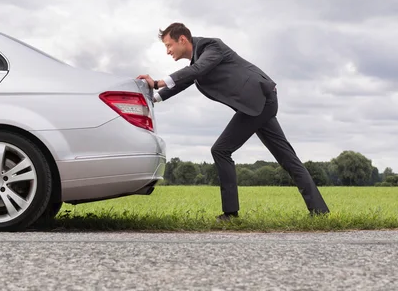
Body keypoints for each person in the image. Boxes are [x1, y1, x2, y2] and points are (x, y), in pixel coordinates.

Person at [137, 22, 330, 221]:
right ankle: (320, 212)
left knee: (220, 150)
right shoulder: (199, 60)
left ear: (182, 40)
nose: (168, 51)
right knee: (288, 158)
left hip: (260, 100)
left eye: (169, 45)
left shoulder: (211, 47)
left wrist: (158, 82)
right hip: (257, 104)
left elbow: (196, 71)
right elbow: (187, 79)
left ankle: (231, 214)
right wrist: (153, 98)